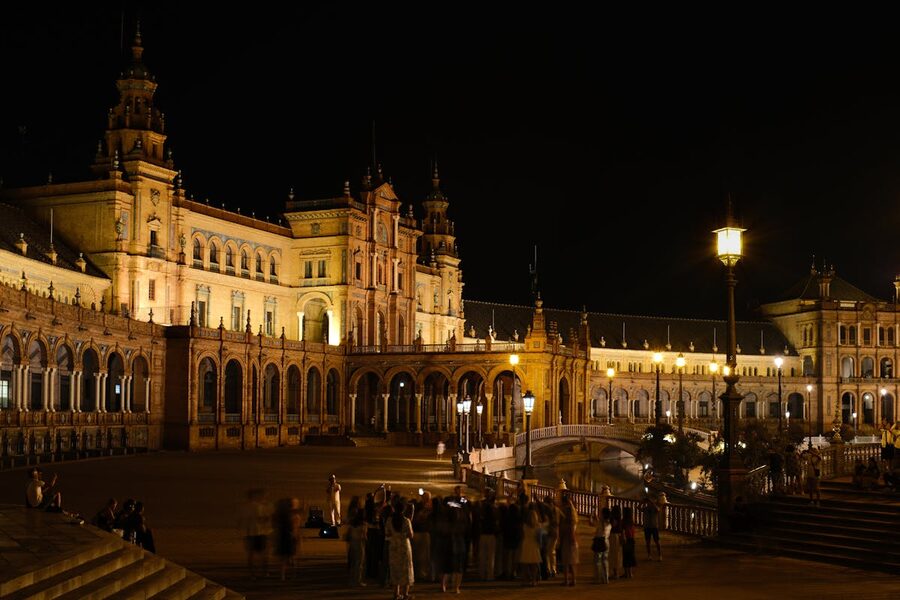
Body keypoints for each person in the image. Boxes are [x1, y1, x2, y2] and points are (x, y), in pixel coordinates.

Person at [238, 488, 273, 579]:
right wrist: (269, 517)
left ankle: (252, 574)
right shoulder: (258, 506)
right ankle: (265, 572)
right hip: (259, 532)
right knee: (264, 554)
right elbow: (261, 519)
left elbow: (241, 521)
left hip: (248, 533)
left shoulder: (244, 507)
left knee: (251, 554)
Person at [386, 503, 415, 600]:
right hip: (404, 546)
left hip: (394, 546)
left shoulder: (390, 520)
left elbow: (387, 533)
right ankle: (405, 593)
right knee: (406, 569)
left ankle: (396, 593)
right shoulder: (406, 521)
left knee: (395, 569)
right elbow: (411, 535)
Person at [641, 496, 662, 561]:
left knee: (657, 542)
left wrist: (653, 503)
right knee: (648, 542)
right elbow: (638, 508)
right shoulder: (645, 508)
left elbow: (658, 510)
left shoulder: (655, 508)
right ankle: (649, 555)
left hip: (654, 527)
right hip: (647, 527)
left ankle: (660, 555)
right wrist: (642, 502)